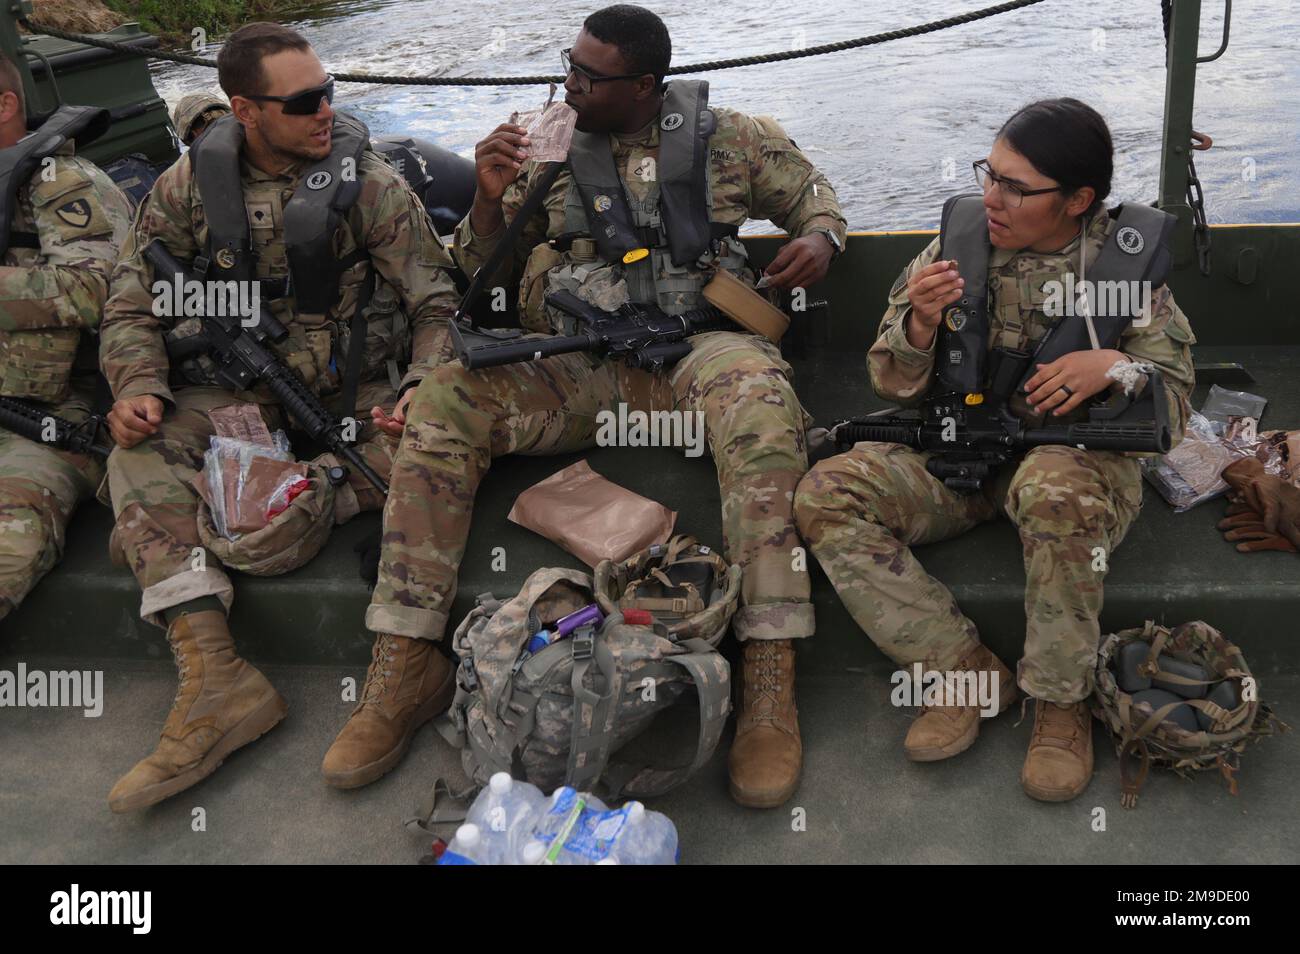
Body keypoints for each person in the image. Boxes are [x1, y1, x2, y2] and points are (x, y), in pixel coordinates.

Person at [322, 3, 847, 808]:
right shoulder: (546, 143)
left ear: (643, 85)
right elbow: (480, 281)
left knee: (764, 407)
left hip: (694, 350)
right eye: (567, 66)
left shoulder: (734, 136)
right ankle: (404, 661)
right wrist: (491, 201)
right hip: (575, 364)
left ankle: (770, 675)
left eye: (585, 76)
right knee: (446, 399)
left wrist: (819, 240)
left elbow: (814, 201)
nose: (566, 84)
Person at [99, 22, 460, 813]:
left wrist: (422, 383)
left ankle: (304, 495)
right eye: (302, 102)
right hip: (232, 398)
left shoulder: (368, 186)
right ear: (245, 110)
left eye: (327, 92)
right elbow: (130, 301)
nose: (324, 111)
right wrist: (138, 385)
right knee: (135, 456)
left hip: (359, 404)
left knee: (437, 444)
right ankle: (216, 678)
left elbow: (438, 303)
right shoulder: (185, 187)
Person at [794, 98, 1196, 802]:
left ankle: (1060, 702)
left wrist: (1116, 369)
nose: (992, 197)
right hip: (958, 449)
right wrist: (917, 323)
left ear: (1078, 200)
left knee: (1051, 493)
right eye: (991, 174)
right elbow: (888, 379)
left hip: (1071, 462)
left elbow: (1178, 405)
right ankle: (963, 670)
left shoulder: (1120, 266)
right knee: (825, 494)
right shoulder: (957, 244)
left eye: (1016, 186)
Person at [0, 51, 133, 622]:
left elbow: (99, 289)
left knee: (10, 535)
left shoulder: (61, 183)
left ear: (5, 105)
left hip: (63, 410)